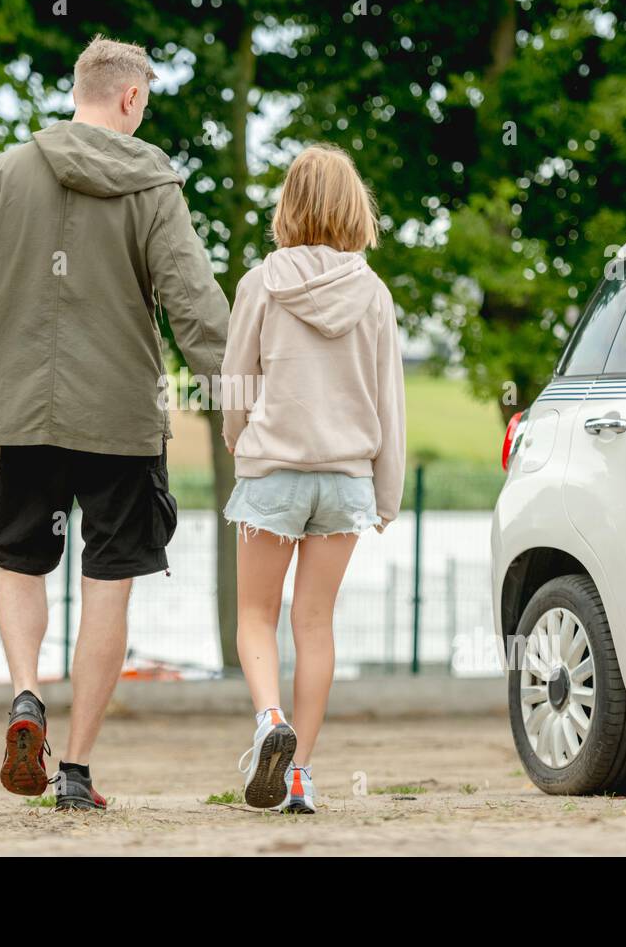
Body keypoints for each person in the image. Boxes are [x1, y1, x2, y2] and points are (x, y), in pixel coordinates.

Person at [0, 35, 229, 810]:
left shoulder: (4, 173)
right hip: (122, 422)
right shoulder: (154, 185)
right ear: (129, 98)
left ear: (79, 89)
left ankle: (26, 696)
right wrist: (241, 401)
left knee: (20, 560)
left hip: (24, 412)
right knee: (108, 586)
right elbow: (196, 310)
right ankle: (78, 773)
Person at [220, 144, 406, 813]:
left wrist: (238, 438)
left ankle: (270, 718)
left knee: (254, 616)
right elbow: (390, 403)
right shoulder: (375, 294)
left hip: (273, 471)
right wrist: (387, 495)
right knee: (316, 623)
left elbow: (236, 380)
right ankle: (299, 773)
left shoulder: (259, 283)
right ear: (354, 208)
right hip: (347, 477)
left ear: (288, 207)